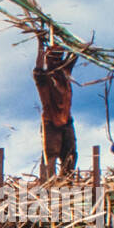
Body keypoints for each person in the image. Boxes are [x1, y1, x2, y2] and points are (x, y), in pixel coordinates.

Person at [33, 36, 78, 176]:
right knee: (51, 154)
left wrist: (73, 44)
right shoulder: (44, 78)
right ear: (48, 59)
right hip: (50, 121)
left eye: (59, 58)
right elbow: (38, 68)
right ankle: (51, 182)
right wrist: (40, 43)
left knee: (70, 154)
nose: (56, 61)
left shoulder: (64, 74)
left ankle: (67, 180)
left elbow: (75, 54)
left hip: (67, 121)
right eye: (53, 58)